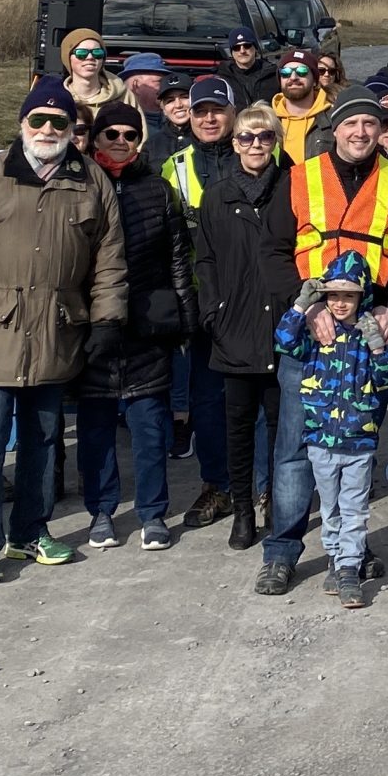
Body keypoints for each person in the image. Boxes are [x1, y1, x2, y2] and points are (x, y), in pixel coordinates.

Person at [0, 75, 129, 585]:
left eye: (58, 121)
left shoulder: (91, 181)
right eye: (38, 119)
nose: (47, 129)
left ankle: (30, 532)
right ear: (23, 123)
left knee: (43, 439)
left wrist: (107, 319)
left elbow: (109, 261)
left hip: (56, 332)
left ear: (70, 128)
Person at [260, 92, 388, 592]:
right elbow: (272, 253)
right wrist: (308, 309)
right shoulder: (300, 178)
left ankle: (349, 550)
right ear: (334, 129)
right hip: (312, 337)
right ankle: (282, 551)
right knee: (294, 449)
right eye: (351, 123)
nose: (360, 132)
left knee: (355, 451)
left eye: (369, 123)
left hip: (365, 340)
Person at [74, 101, 194, 552]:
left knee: (150, 427)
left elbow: (177, 256)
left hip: (149, 321)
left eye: (130, 134)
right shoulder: (81, 184)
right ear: (96, 139)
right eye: (112, 134)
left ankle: (152, 513)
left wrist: (184, 315)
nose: (121, 141)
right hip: (95, 324)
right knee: (96, 428)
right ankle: (102, 511)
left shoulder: (158, 188)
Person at [191, 103, 293, 550]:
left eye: (264, 137)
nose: (255, 145)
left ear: (276, 142)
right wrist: (212, 311)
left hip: (282, 324)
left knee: (280, 424)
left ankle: (275, 502)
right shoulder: (218, 195)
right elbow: (206, 259)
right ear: (234, 144)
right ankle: (243, 510)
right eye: (246, 137)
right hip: (233, 324)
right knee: (237, 425)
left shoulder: (292, 188)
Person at [275, 252, 388, 607]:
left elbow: (387, 379)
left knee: (355, 510)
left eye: (349, 295)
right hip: (321, 441)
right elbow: (284, 341)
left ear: (363, 297)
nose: (341, 303)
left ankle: (348, 569)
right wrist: (301, 306)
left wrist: (378, 345)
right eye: (333, 295)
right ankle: (334, 557)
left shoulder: (366, 336)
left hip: (359, 442)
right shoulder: (315, 335)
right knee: (330, 509)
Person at [160, 76, 240, 525]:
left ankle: (260, 486)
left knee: (258, 401)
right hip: (201, 301)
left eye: (217, 110)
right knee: (207, 401)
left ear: (233, 112)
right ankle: (217, 486)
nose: (209, 119)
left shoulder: (261, 154)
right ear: (188, 117)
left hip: (252, 300)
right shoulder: (172, 168)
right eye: (200, 111)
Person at [270, 47, 329, 165]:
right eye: (285, 73)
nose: (293, 77)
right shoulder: (268, 121)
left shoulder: (332, 119)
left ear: (315, 81)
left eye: (302, 71)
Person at [59, 29, 125, 112]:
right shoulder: (56, 98)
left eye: (97, 52)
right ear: (67, 58)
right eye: (81, 53)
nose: (90, 57)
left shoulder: (124, 97)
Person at [222, 27, 278, 106]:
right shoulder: (223, 77)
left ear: (255, 48)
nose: (242, 51)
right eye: (236, 47)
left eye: (247, 46)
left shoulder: (273, 74)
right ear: (232, 52)